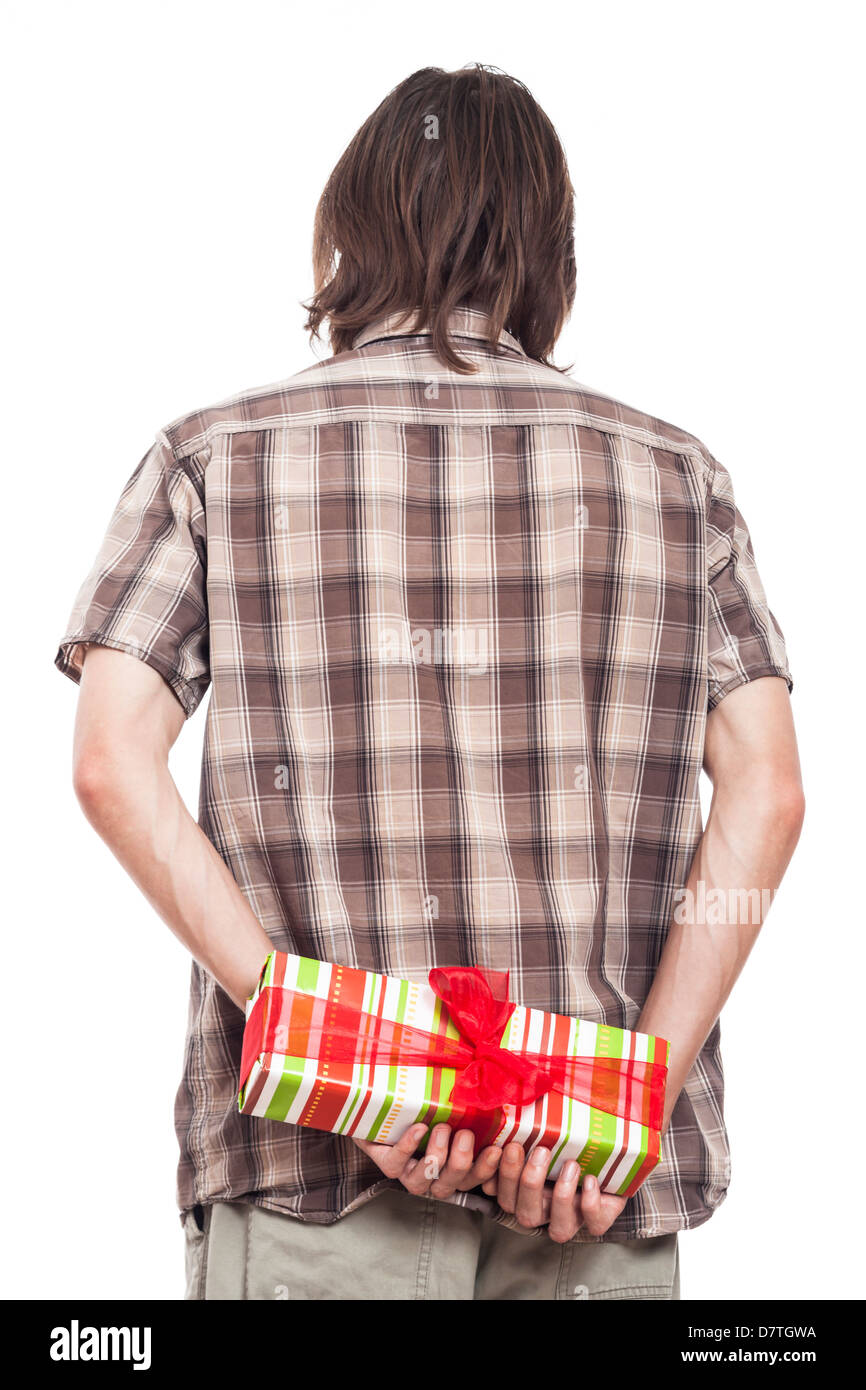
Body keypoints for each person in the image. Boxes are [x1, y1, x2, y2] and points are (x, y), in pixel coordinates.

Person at [54, 63, 804, 1302]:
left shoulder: (212, 457)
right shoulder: (679, 478)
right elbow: (766, 797)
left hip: (309, 1180)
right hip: (587, 1196)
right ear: (545, 246)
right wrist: (624, 1103)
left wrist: (344, 1054)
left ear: (351, 225)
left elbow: (109, 762)